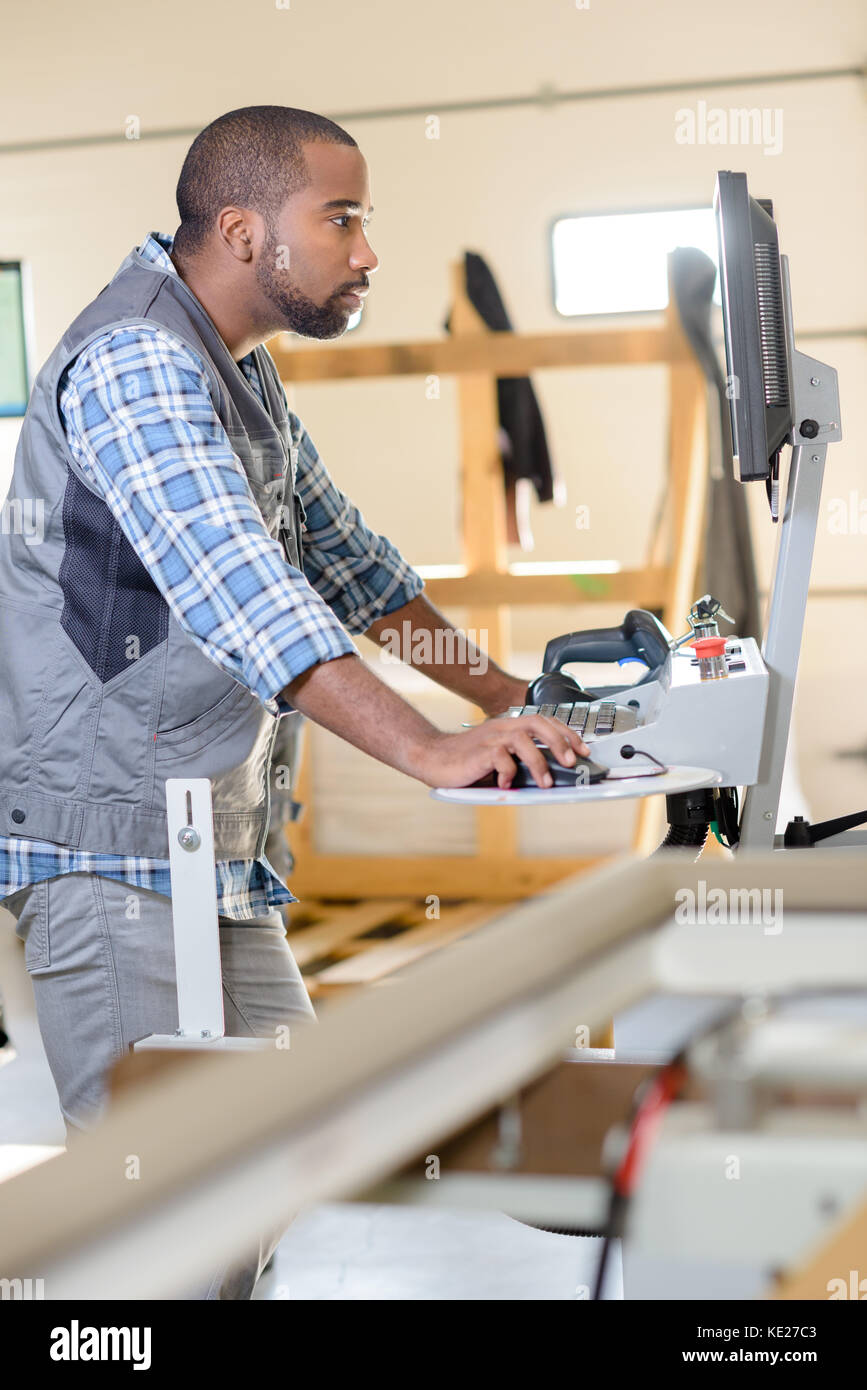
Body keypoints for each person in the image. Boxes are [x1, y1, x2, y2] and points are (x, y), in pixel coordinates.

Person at [0, 105, 589, 1298]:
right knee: (153, 1239)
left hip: (210, 848)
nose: (367, 251)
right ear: (242, 230)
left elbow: (350, 568)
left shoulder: (239, 371)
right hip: (111, 857)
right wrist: (430, 750)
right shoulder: (136, 362)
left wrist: (521, 695)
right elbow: (246, 596)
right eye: (343, 218)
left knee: (273, 1169)